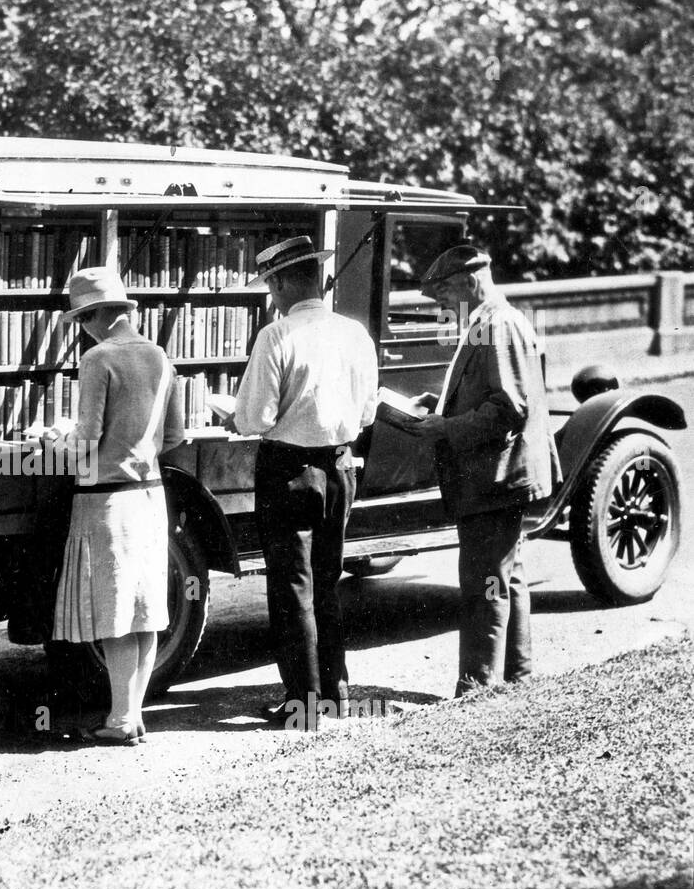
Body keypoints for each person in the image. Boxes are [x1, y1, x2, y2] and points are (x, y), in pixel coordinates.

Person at [226, 237, 378, 729]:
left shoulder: (277, 336)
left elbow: (255, 417)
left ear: (285, 281)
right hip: (340, 467)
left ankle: (303, 703)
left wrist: (231, 413)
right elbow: (368, 410)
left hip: (289, 469)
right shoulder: (355, 334)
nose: (271, 293)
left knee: (293, 584)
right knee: (327, 580)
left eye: (271, 283)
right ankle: (335, 692)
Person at [404, 244, 561, 696]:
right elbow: (494, 396)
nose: (442, 308)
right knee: (505, 576)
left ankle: (477, 688)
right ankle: (516, 677)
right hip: (500, 475)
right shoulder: (489, 323)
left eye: (444, 295)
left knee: (483, 583)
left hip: (497, 477)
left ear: (470, 282)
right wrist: (440, 407)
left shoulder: (498, 325)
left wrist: (445, 427)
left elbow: (508, 409)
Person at [47, 267, 185, 745]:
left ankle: (122, 720)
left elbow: (85, 441)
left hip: (106, 502)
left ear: (100, 316)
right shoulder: (160, 356)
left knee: (115, 611)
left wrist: (53, 440)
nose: (82, 327)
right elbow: (175, 436)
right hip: (150, 495)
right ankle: (131, 714)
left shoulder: (98, 358)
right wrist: (134, 451)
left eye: (84, 317)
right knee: (145, 608)